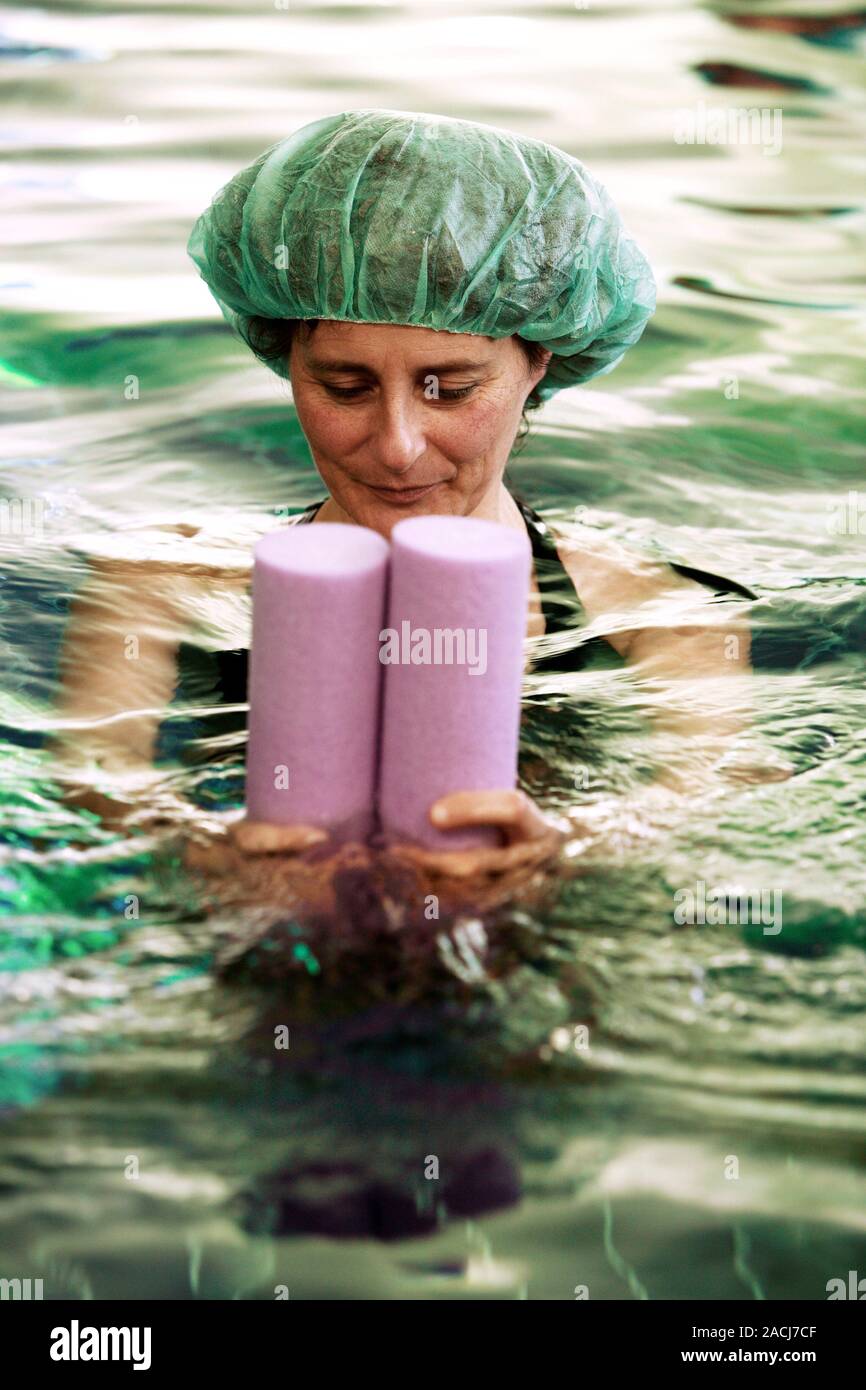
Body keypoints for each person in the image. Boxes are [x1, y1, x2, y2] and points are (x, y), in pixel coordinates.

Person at [53, 110, 764, 881]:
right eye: (344, 386)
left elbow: (718, 791)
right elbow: (90, 786)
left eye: (451, 389)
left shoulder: (658, 620)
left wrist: (577, 846)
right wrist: (189, 845)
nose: (397, 447)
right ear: (283, 358)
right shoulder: (160, 587)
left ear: (541, 362)